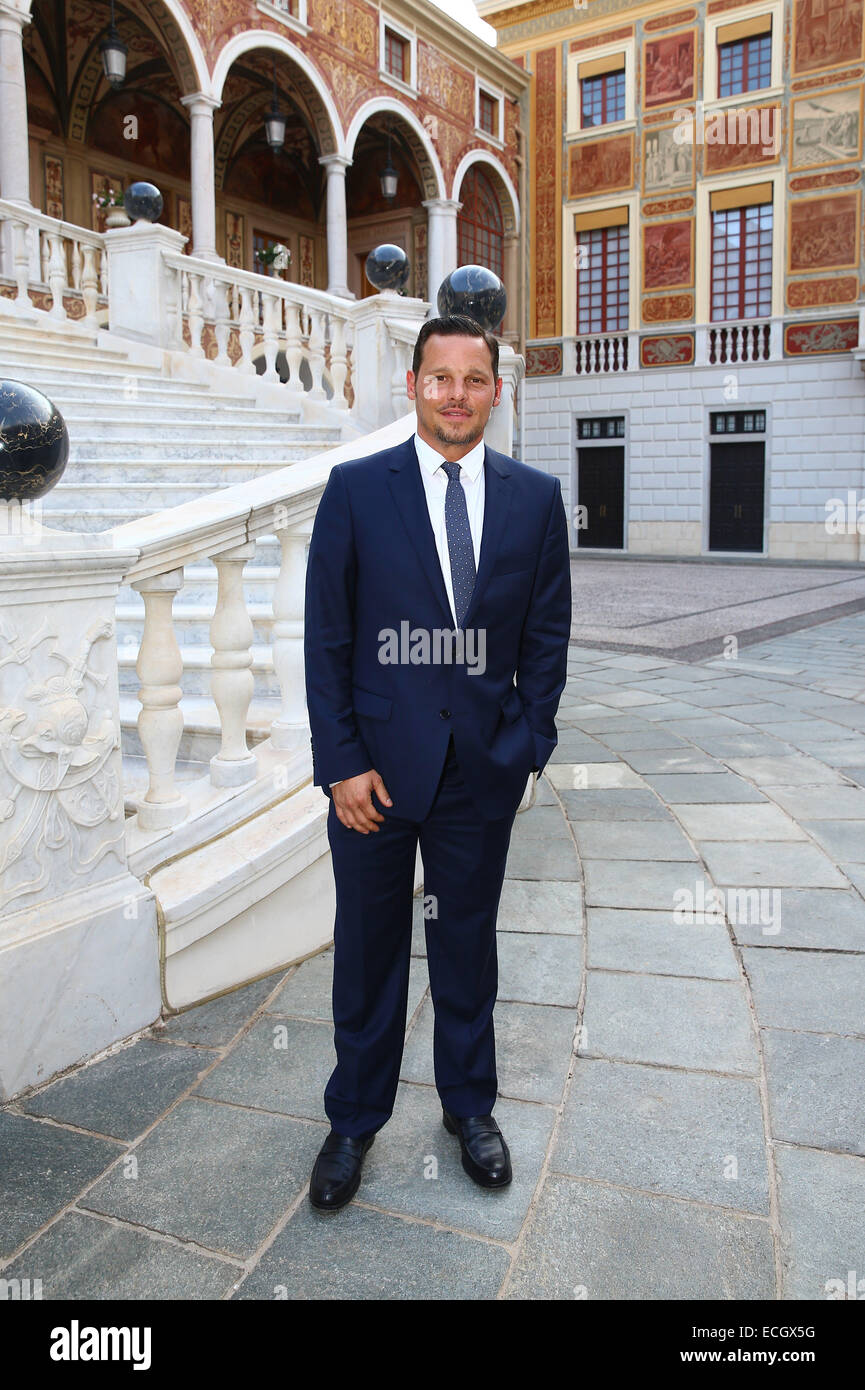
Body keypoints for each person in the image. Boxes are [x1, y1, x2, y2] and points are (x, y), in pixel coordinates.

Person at [303, 313, 572, 1212]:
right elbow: (327, 639)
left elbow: (544, 637)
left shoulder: (535, 500)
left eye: (474, 378)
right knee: (369, 951)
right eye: (439, 377)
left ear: (497, 390)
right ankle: (353, 1119)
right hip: (372, 775)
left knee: (466, 948)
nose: (456, 394)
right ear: (412, 385)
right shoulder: (354, 490)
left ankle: (469, 1108)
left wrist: (528, 743)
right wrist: (340, 763)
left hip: (479, 773)